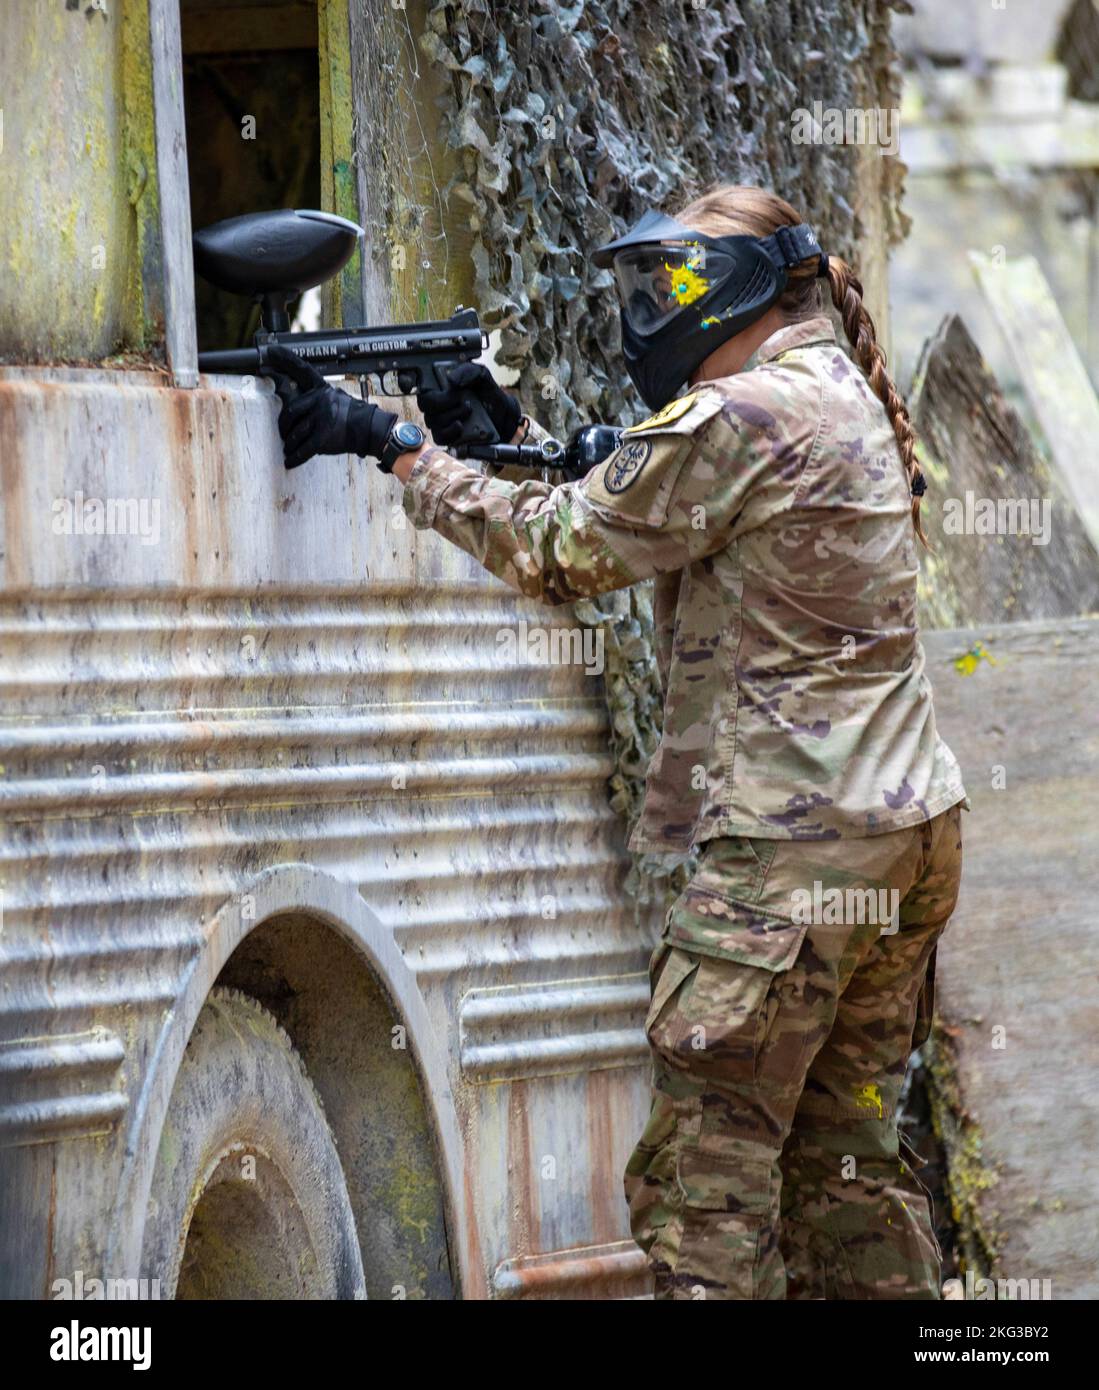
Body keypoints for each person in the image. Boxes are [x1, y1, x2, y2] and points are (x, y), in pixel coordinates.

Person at [262, 183, 967, 1301]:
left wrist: (395, 447)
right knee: (848, 1175)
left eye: (669, 284)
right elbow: (649, 500)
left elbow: (563, 554)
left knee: (707, 1192)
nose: (651, 310)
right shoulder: (832, 390)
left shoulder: (738, 415)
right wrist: (503, 435)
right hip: (907, 836)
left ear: (734, 288)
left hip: (789, 856)